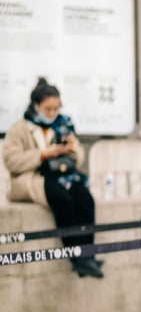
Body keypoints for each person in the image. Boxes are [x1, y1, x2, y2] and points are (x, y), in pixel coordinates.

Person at [3, 77, 103, 278]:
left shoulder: (63, 125)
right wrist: (43, 154)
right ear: (36, 105)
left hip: (64, 175)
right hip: (36, 178)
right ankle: (78, 258)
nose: (52, 113)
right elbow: (11, 161)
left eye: (56, 109)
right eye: (48, 109)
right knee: (63, 201)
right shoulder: (20, 128)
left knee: (85, 200)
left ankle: (87, 255)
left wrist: (69, 150)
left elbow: (79, 156)